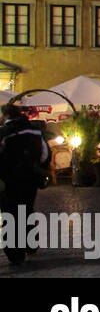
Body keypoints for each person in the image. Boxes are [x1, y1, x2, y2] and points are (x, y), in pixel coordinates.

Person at [0, 103, 51, 265]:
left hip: (10, 178)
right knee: (27, 207)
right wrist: (38, 168)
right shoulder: (35, 130)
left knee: (10, 212)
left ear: (6, 116)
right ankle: (30, 242)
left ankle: (15, 252)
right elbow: (45, 153)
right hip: (30, 178)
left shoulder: (4, 133)